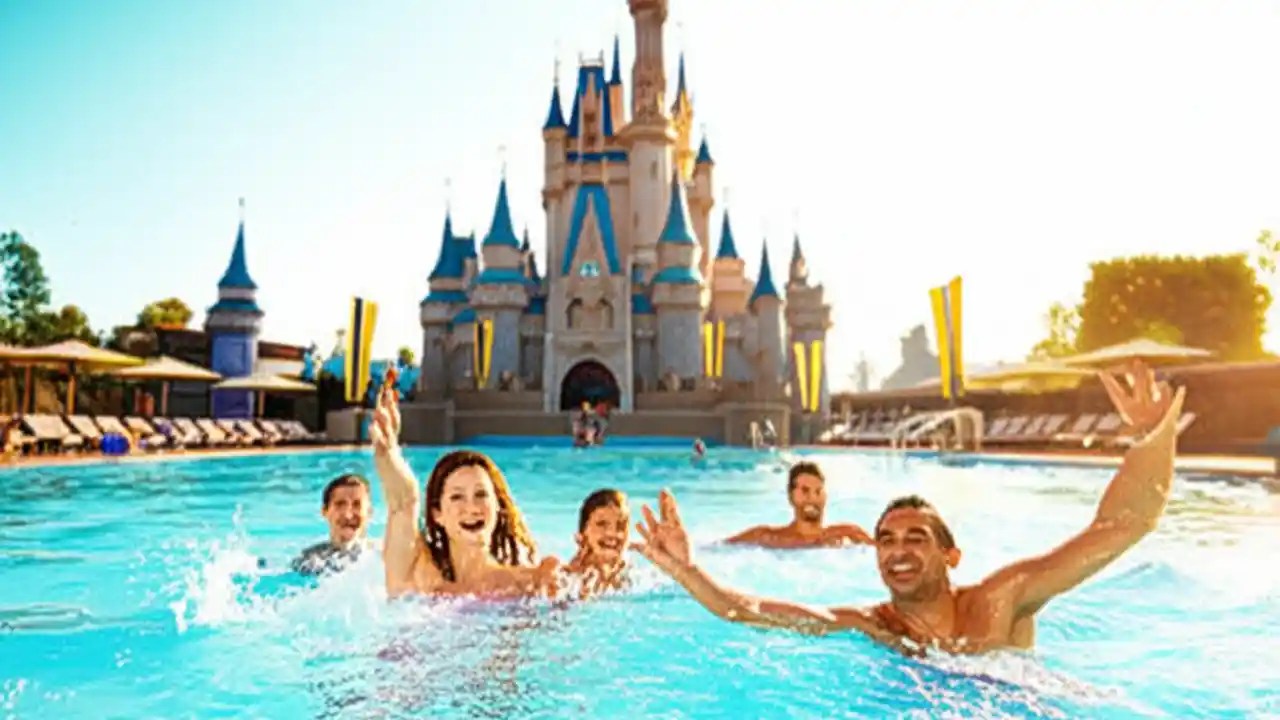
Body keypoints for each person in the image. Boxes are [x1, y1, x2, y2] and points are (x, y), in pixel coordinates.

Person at [633, 360, 1186, 655]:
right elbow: (748, 611)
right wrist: (688, 571)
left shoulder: (1001, 600)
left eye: (916, 539)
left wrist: (1151, 438)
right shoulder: (877, 626)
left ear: (951, 556)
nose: (896, 551)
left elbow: (1124, 525)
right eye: (887, 541)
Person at [370, 382, 558, 598]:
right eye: (457, 497)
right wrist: (388, 452)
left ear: (498, 506)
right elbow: (404, 502)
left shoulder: (527, 586)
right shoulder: (416, 577)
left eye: (481, 495)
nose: (472, 507)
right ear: (437, 514)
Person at [723, 461, 872, 548]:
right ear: (791, 496)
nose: (812, 498)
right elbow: (719, 549)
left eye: (818, 491)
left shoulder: (849, 535)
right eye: (805, 491)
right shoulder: (767, 537)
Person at [291, 473, 377, 576]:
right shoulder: (308, 561)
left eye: (357, 504)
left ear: (369, 512)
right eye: (340, 504)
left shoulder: (381, 557)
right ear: (324, 511)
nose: (348, 515)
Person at [564, 489, 632, 597]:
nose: (612, 533)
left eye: (621, 525)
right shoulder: (564, 581)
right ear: (582, 534)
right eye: (601, 524)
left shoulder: (630, 576)